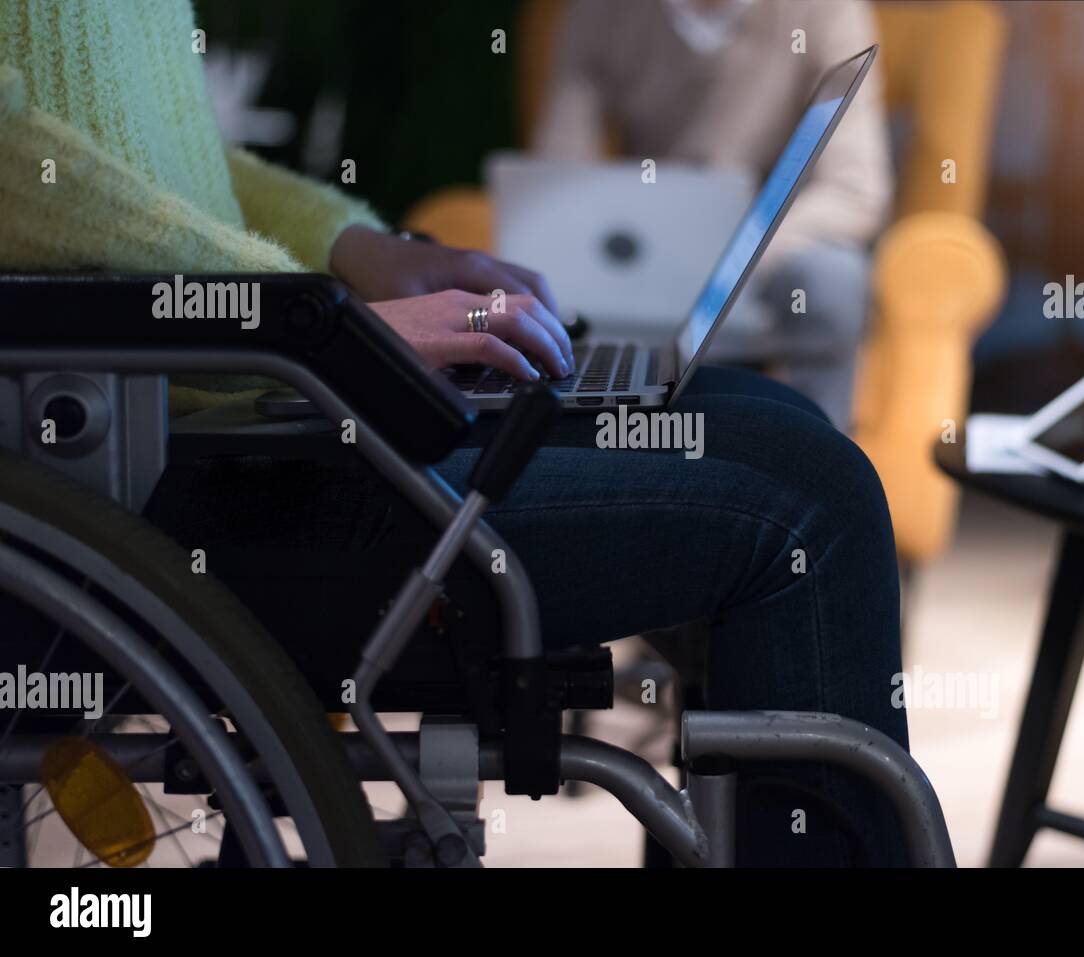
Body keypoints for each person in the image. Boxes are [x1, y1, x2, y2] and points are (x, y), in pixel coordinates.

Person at [0, 0, 907, 865]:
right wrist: (311, 323)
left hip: (233, 407)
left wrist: (374, 253)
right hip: (146, 475)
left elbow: (182, 158)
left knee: (775, 421)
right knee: (803, 503)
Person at [533, 0, 893, 431]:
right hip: (650, 238)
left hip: (772, 243)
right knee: (549, 272)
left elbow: (855, 191)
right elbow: (560, 174)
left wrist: (732, 254)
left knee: (832, 279)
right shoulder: (599, 12)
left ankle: (824, 456)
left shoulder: (825, 10)